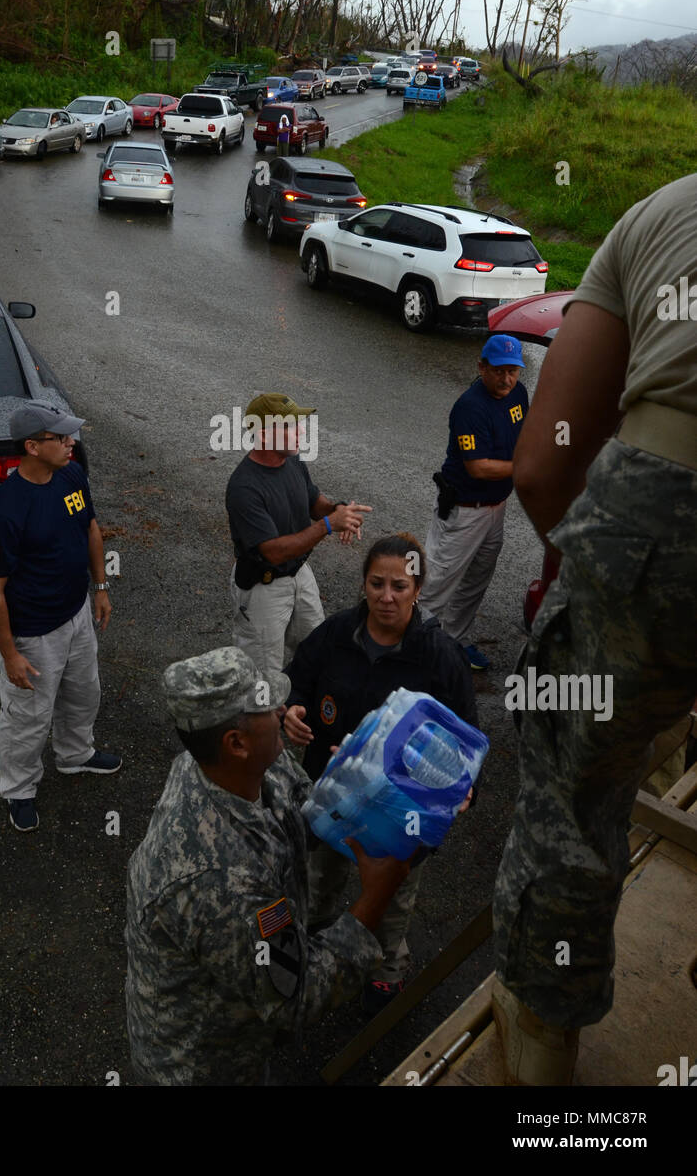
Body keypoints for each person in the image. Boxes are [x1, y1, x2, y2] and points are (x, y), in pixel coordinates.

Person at [491, 171, 697, 1085]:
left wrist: (602, 586)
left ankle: (543, 1045)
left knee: (574, 800)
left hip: (662, 516)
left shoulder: (665, 212)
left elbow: (541, 464)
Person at [125, 646, 419, 1085]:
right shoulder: (219, 881)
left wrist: (357, 780)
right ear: (236, 742)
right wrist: (374, 899)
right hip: (204, 1065)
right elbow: (296, 998)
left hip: (240, 1026)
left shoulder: (237, 763)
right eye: (266, 707)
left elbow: (306, 811)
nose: (281, 709)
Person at [283, 533, 477, 1013]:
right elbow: (299, 677)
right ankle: (316, 947)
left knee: (390, 896)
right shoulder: (336, 633)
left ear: (417, 589)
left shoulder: (440, 656)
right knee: (319, 877)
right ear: (363, 582)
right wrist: (291, 710)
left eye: (399, 586)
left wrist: (464, 790)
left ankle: (387, 968)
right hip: (331, 796)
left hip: (398, 813)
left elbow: (467, 737)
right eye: (376, 583)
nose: (386, 597)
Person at [0, 402, 121, 833]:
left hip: (76, 612)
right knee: (28, 718)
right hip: (34, 635)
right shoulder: (6, 511)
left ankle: (75, 755)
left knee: (84, 693)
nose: (70, 443)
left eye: (69, 435)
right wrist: (10, 655)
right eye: (60, 438)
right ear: (32, 447)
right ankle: (19, 790)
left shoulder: (72, 474)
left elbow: (91, 528)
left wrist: (99, 588)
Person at [225, 391, 371, 682]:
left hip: (298, 573)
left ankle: (308, 714)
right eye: (290, 426)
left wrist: (338, 510)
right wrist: (328, 525)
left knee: (320, 647)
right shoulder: (244, 488)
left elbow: (314, 502)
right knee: (263, 677)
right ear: (264, 436)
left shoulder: (292, 463)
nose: (301, 431)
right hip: (263, 586)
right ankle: (265, 723)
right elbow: (273, 552)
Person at [420, 334, 530, 670]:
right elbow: (478, 467)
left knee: (475, 581)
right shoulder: (470, 407)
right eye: (499, 370)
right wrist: (528, 467)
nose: (507, 378)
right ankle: (413, 649)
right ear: (482, 366)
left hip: (496, 509)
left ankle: (453, 642)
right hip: (463, 512)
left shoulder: (519, 394)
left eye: (513, 371)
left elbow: (528, 431)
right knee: (435, 584)